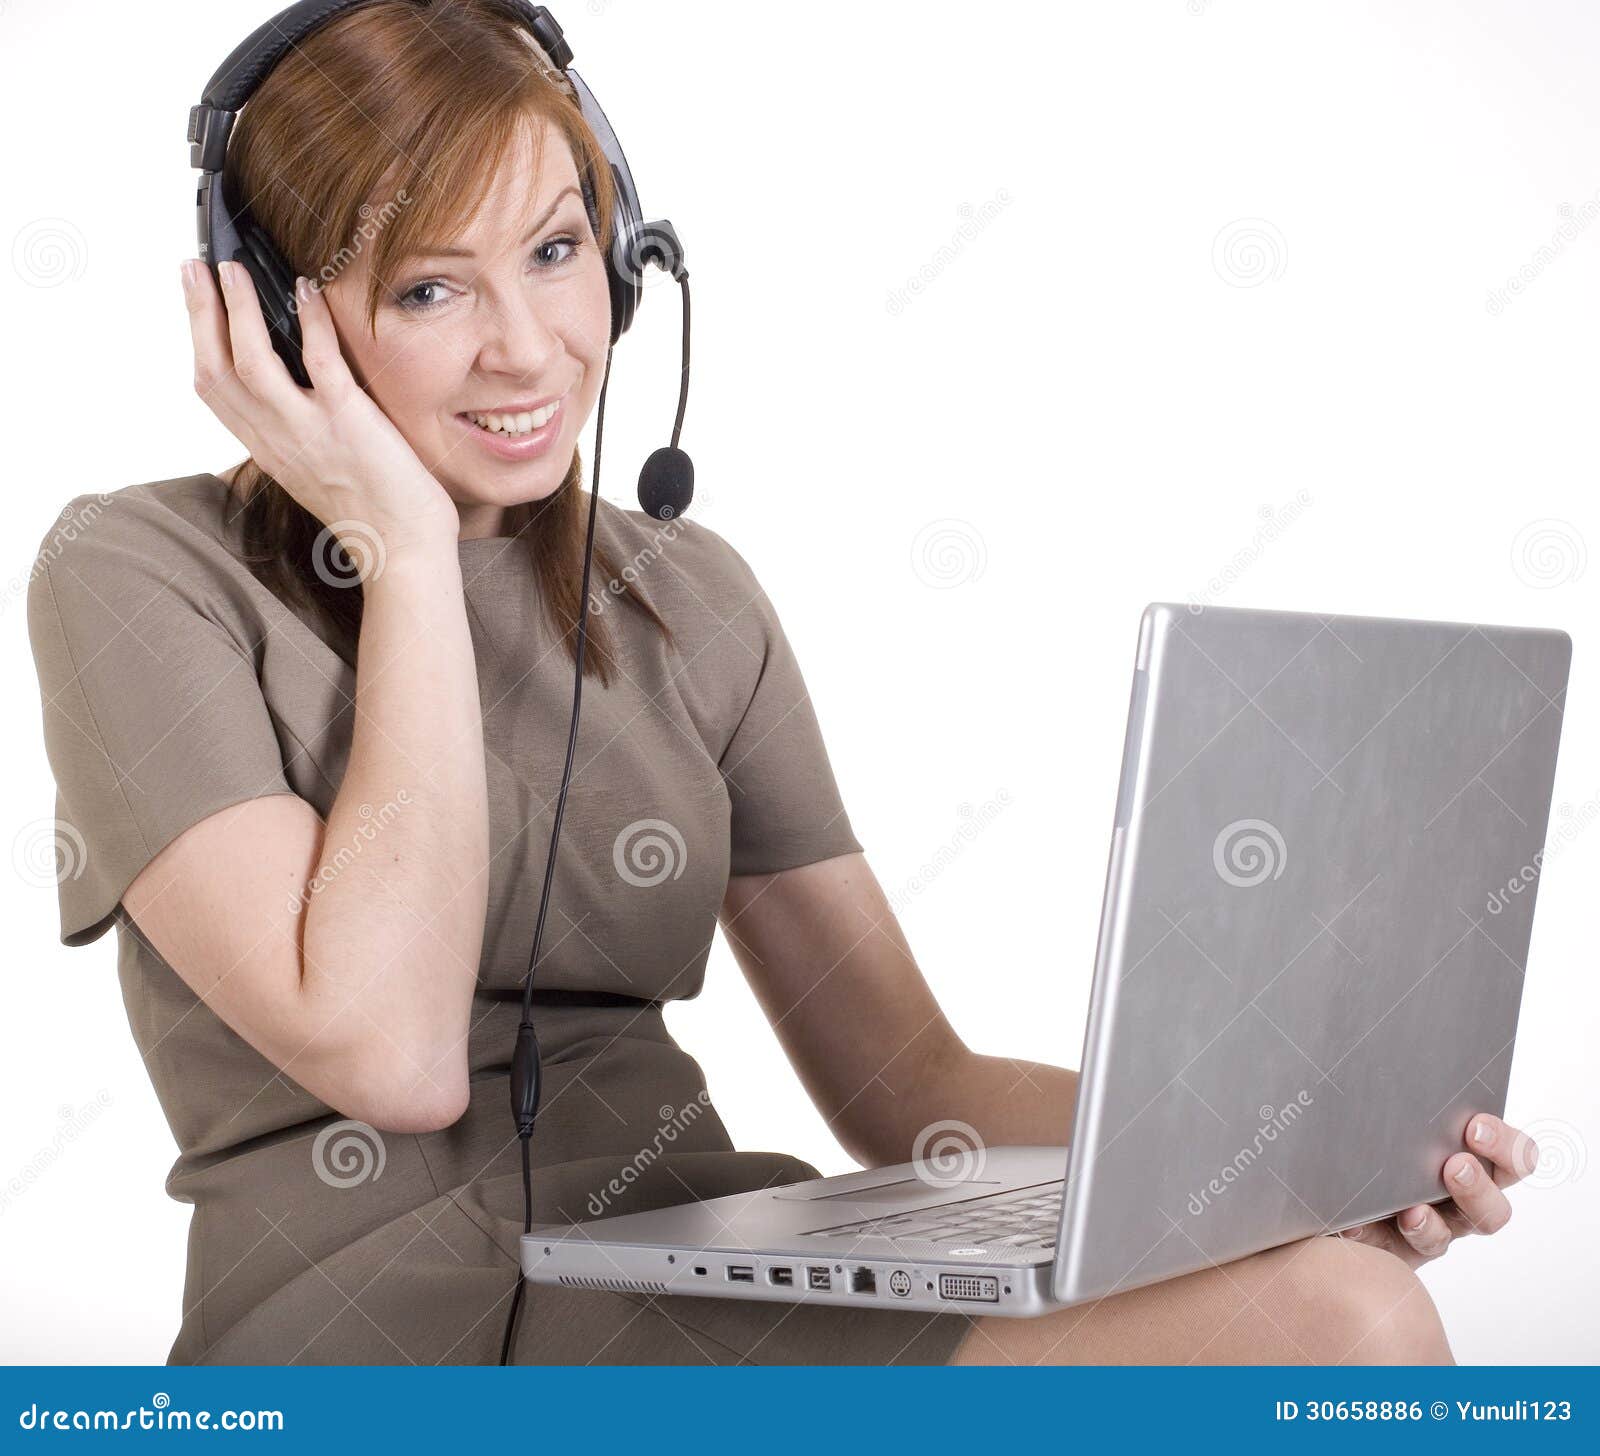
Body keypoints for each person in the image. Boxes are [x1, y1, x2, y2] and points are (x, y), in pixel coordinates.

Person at [26, 0, 1537, 1365]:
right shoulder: (138, 574)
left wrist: (1279, 1164)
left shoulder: (687, 602)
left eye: (556, 252)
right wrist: (408, 559)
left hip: (687, 1273)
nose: (531, 349)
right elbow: (392, 1057)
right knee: (1342, 1330)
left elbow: (911, 1083)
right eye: (431, 289)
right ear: (273, 315)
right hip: (364, 1326)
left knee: (1328, 1297)